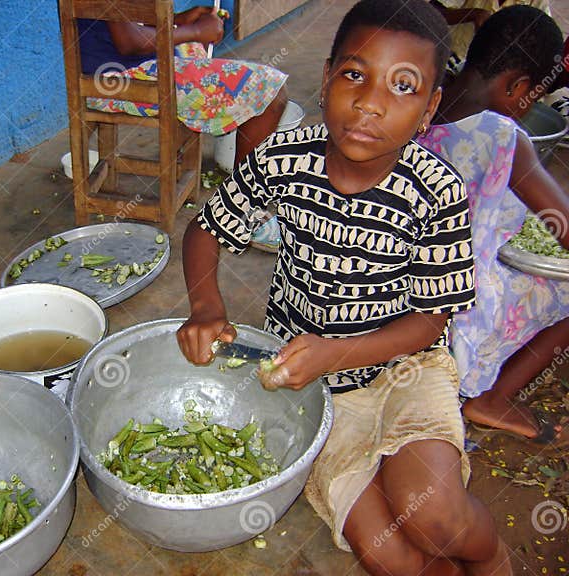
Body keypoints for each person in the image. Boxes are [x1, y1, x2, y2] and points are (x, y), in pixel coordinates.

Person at [177, 0, 511, 573]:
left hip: (408, 367)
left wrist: (340, 351)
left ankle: (492, 562)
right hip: (312, 388)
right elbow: (205, 232)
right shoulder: (282, 160)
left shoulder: (436, 192)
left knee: (434, 518)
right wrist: (207, 306)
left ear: (431, 106)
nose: (370, 102)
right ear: (328, 74)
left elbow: (431, 321)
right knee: (391, 556)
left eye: (403, 86)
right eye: (354, 74)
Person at [417, 6, 569, 442]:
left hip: (396, 287)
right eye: (534, 97)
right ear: (518, 86)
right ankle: (494, 396)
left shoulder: (422, 98)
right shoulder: (504, 137)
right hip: (458, 308)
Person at [76, 7, 288, 168]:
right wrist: (195, 30)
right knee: (270, 91)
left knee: (197, 50)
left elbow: (129, 20)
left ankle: (180, 158)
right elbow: (129, 42)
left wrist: (179, 21)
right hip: (113, 81)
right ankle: (241, 197)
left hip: (125, 65)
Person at [429, 0, 552, 77]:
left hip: (489, 74)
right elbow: (431, 11)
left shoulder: (538, 3)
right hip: (447, 58)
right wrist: (473, 14)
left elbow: (544, 45)